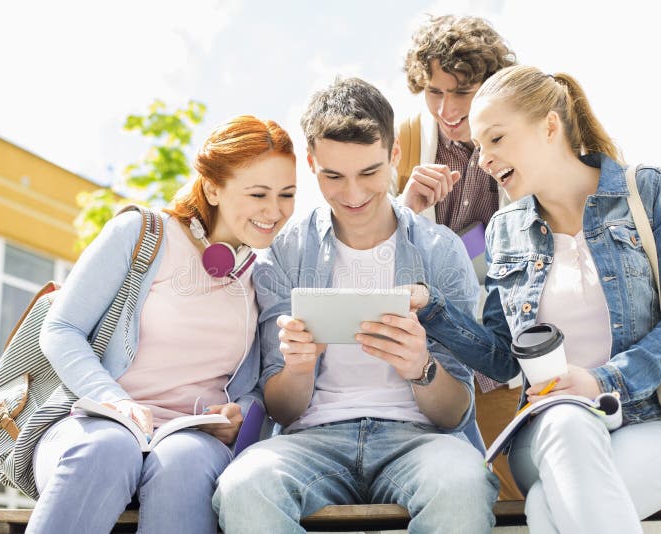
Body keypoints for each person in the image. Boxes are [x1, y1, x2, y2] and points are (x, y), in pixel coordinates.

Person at [412, 65, 661, 532]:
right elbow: (502, 359)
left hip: (652, 422)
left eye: (496, 139)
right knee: (566, 422)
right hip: (546, 431)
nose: (482, 160)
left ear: (550, 126)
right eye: (478, 147)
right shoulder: (504, 231)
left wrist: (603, 380)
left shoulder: (647, 190)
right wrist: (431, 309)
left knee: (547, 508)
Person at [212, 78, 499, 534]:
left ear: (394, 157)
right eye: (332, 176)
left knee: (463, 486)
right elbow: (282, 409)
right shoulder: (287, 251)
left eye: (368, 173)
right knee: (245, 487)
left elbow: (456, 411)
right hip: (312, 440)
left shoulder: (440, 251)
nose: (352, 194)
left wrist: (421, 368)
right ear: (311, 164)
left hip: (421, 441)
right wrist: (299, 368)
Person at [27, 115, 297, 534]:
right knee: (109, 448)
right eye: (258, 193)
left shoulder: (262, 277)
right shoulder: (141, 234)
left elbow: (257, 386)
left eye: (287, 194)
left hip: (192, 439)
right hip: (98, 424)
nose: (274, 211)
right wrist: (113, 401)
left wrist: (239, 413)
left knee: (184, 463)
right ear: (213, 187)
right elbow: (60, 330)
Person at [396, 14, 522, 501]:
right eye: (433, 91)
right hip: (425, 351)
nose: (447, 109)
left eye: (461, 93)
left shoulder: (518, 139)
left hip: (496, 346)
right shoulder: (406, 139)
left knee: (509, 489)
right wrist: (407, 208)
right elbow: (366, 244)